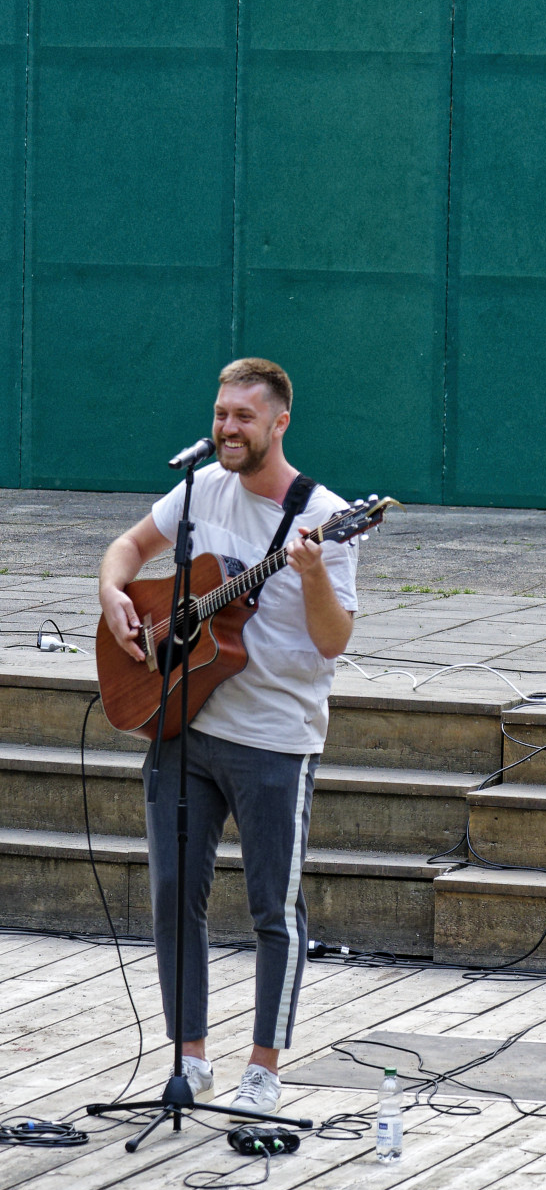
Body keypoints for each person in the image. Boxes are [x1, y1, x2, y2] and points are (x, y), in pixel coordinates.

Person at [99, 358, 357, 1115]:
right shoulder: (197, 490)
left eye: (243, 417)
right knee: (175, 894)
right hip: (182, 723)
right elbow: (126, 547)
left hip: (275, 739)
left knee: (273, 908)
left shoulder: (326, 516)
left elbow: (334, 640)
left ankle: (264, 1069)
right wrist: (114, 593)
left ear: (279, 424)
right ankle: (190, 1058)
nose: (226, 430)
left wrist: (310, 575)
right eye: (220, 415)